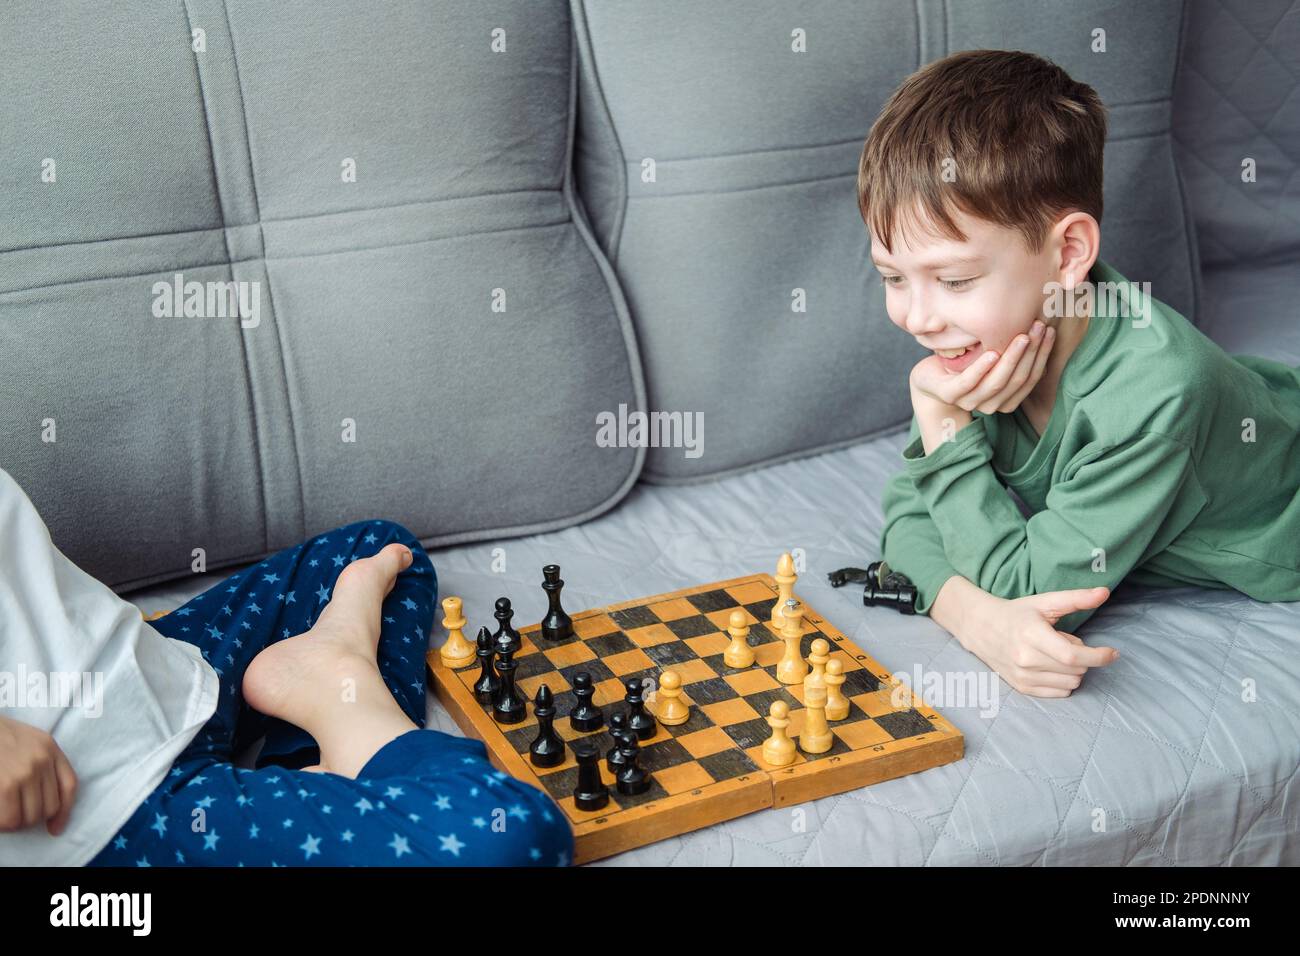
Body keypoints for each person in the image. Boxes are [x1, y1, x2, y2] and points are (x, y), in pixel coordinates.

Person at [860, 50, 1300, 697]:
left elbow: (1031, 590)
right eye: (892, 277)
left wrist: (944, 429)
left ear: (1068, 253)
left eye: (954, 279)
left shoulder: (1154, 397)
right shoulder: (998, 337)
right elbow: (909, 508)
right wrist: (977, 619)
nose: (917, 317)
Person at [0, 466, 572, 865]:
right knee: (510, 835)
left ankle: (315, 764)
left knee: (379, 549)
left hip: (161, 667)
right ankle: (346, 710)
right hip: (104, 805)